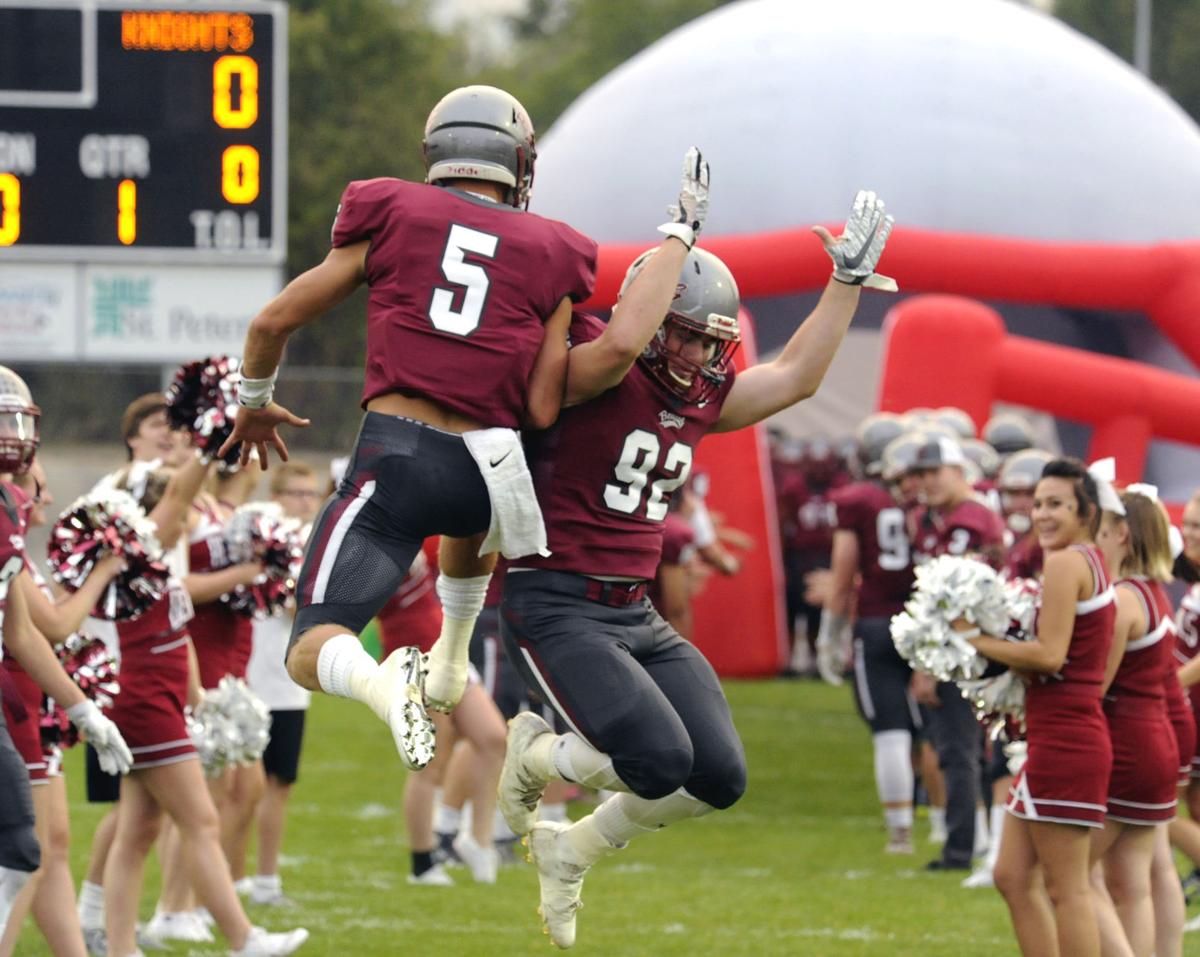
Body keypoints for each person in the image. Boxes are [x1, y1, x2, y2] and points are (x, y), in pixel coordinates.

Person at [497, 186, 896, 948]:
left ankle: (574, 845)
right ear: (649, 320)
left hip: (634, 612)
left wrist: (844, 284)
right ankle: (536, 754)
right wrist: (678, 231)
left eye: (707, 342)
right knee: (657, 757)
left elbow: (796, 377)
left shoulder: (705, 394)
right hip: (558, 601)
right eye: (679, 335)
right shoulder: (596, 368)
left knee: (719, 776)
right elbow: (614, 345)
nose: (693, 356)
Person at [220, 84, 606, 771]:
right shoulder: (556, 248)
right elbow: (544, 408)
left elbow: (270, 322)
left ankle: (383, 681)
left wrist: (253, 402)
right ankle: (451, 661)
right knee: (471, 511)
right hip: (489, 473)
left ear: (437, 152)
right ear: (516, 162)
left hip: (396, 456)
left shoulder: (394, 209)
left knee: (311, 645)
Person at [100, 453, 308, 957]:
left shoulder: (158, 559)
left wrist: (196, 698)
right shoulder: (135, 557)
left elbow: (177, 639)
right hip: (146, 701)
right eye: (183, 505)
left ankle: (123, 946)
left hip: (168, 696)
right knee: (199, 819)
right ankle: (239, 937)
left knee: (139, 830)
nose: (192, 513)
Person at [959, 458, 1113, 957]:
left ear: (1086, 511)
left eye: (1057, 506)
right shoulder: (1086, 559)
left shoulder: (1068, 562)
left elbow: (1050, 655)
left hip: (1068, 738)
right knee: (1009, 875)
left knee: (1067, 888)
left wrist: (974, 639)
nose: (1041, 515)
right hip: (1054, 734)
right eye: (1039, 504)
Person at [0, 367, 134, 940]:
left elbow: (21, 630)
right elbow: (41, 627)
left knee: (23, 847)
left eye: (14, 422)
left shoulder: (7, 511)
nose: (12, 437)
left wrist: (83, 710)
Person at [820, 430, 924, 853]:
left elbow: (844, 570)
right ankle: (949, 822)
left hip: (879, 622)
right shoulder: (924, 498)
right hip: (927, 622)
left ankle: (900, 832)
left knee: (891, 732)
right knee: (932, 730)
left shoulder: (858, 499)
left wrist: (831, 629)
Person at [908, 436, 1004, 872]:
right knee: (970, 750)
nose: (926, 481)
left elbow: (953, 599)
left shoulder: (967, 520)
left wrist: (929, 663)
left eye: (934, 472)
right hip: (972, 647)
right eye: (921, 473)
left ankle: (962, 848)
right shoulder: (944, 517)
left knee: (958, 750)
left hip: (963, 650)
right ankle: (980, 841)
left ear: (960, 471)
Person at [1091, 488, 1180, 957]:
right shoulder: (1154, 593)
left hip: (1127, 744)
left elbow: (1094, 685)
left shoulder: (1123, 597)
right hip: (1156, 741)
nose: (1095, 541)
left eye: (1100, 531)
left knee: (1068, 876)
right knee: (1133, 883)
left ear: (1122, 535)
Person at [241, 462, 321, 907]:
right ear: (276, 497)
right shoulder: (265, 542)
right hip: (254, 679)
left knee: (279, 784)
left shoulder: (309, 546)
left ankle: (267, 883)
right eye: (296, 494)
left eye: (310, 495)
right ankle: (232, 880)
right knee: (239, 790)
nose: (305, 503)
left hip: (290, 686)